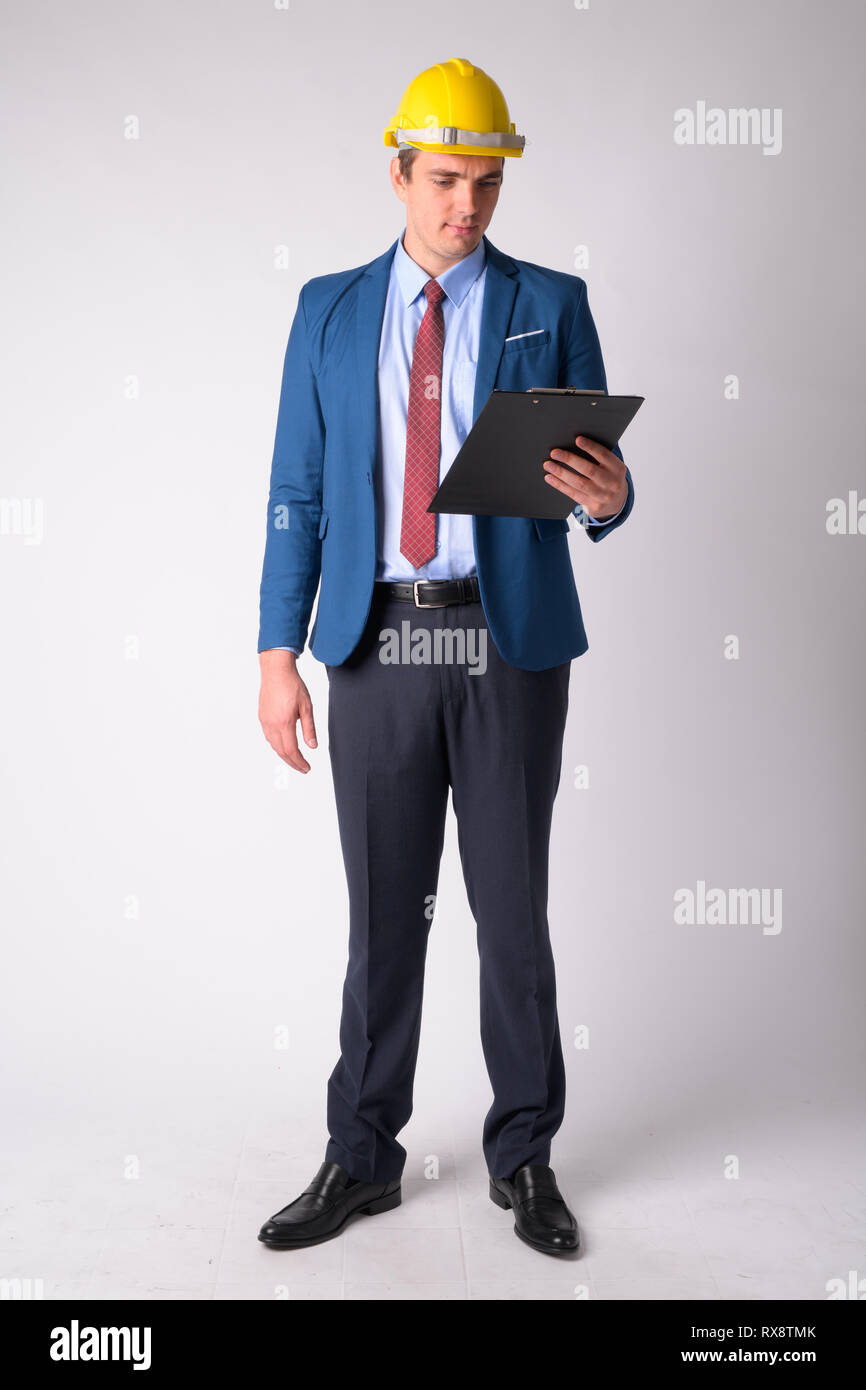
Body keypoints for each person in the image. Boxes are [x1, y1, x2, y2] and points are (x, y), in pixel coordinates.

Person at [255, 57, 634, 1257]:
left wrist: (612, 498)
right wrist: (277, 650)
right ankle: (360, 1156)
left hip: (508, 643)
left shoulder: (549, 300)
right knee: (384, 916)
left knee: (510, 912)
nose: (464, 207)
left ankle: (522, 1156)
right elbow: (297, 491)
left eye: (484, 182)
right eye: (444, 182)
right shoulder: (325, 308)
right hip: (375, 645)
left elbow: (588, 477)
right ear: (398, 173)